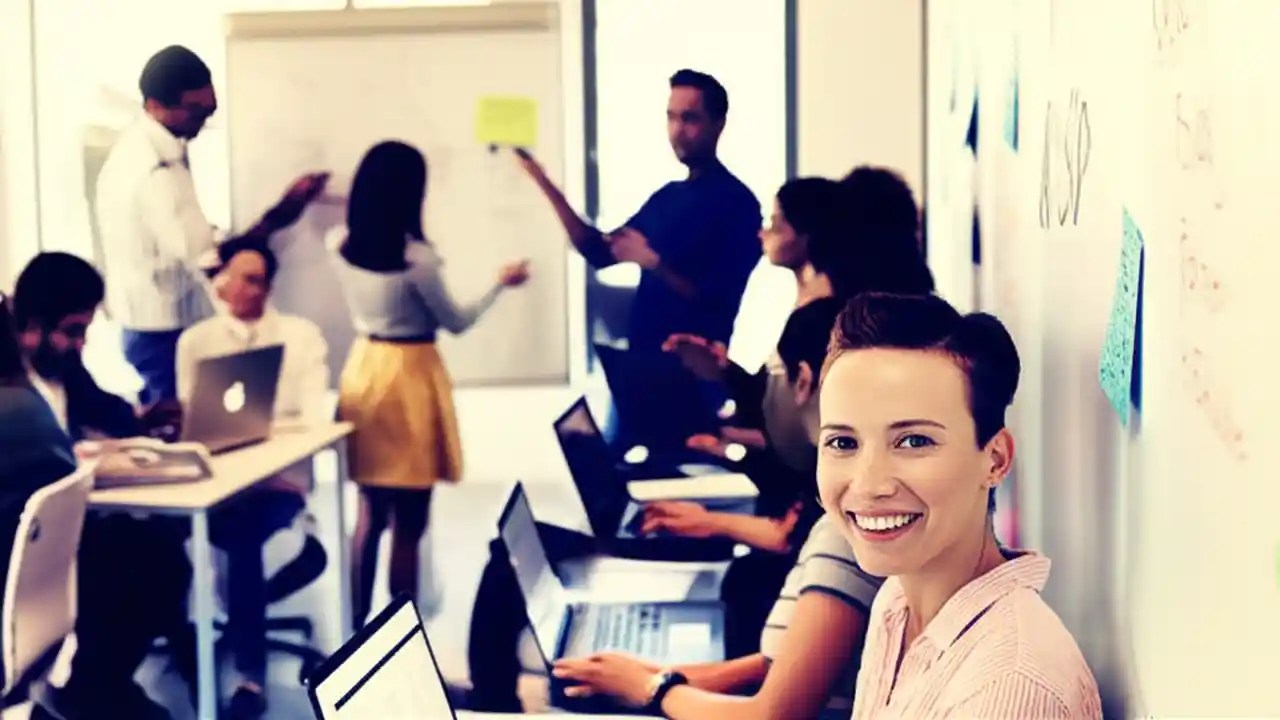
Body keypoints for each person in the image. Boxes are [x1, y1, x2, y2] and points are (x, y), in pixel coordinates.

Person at [817, 293, 1102, 719]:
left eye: (914, 441)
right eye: (843, 442)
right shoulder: (897, 599)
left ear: (995, 460)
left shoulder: (1007, 687)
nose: (869, 484)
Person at [328, 140, 530, 629]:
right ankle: (402, 632)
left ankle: (356, 626)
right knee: (410, 521)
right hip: (410, 378)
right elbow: (456, 322)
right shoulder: (417, 260)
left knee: (369, 513)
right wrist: (499, 285)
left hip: (364, 370)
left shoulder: (338, 244)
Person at [516, 68, 762, 443]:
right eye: (671, 117)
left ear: (718, 124)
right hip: (639, 369)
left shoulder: (738, 204)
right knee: (621, 472)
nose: (677, 130)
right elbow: (598, 251)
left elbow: (716, 300)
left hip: (692, 381)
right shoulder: (667, 198)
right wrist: (542, 180)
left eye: (690, 118)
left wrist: (653, 264)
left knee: (684, 473)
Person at [9, 253, 192, 720]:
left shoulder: (64, 368)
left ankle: (96, 684)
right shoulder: (11, 386)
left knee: (162, 554)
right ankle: (90, 688)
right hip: (20, 538)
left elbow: (107, 412)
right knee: (130, 567)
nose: (79, 343)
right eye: (71, 330)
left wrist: (145, 419)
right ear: (31, 324)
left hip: (70, 522)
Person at [95, 43, 329, 405]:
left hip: (153, 325)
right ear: (155, 105)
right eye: (195, 111)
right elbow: (206, 257)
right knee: (188, 429)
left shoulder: (149, 149)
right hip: (162, 332)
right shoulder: (154, 171)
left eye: (210, 111)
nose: (203, 122)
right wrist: (281, 213)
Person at [175, 236, 329, 718]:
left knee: (242, 539)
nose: (246, 290)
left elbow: (314, 419)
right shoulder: (196, 342)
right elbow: (193, 422)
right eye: (238, 278)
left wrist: (267, 448)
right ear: (219, 281)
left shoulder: (301, 336)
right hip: (216, 483)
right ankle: (185, 650)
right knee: (156, 538)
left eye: (257, 281)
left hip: (280, 482)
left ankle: (249, 675)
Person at [550, 512, 881, 720]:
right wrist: (648, 674)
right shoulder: (834, 525)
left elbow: (774, 716)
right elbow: (783, 665)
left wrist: (653, 688)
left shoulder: (848, 535)